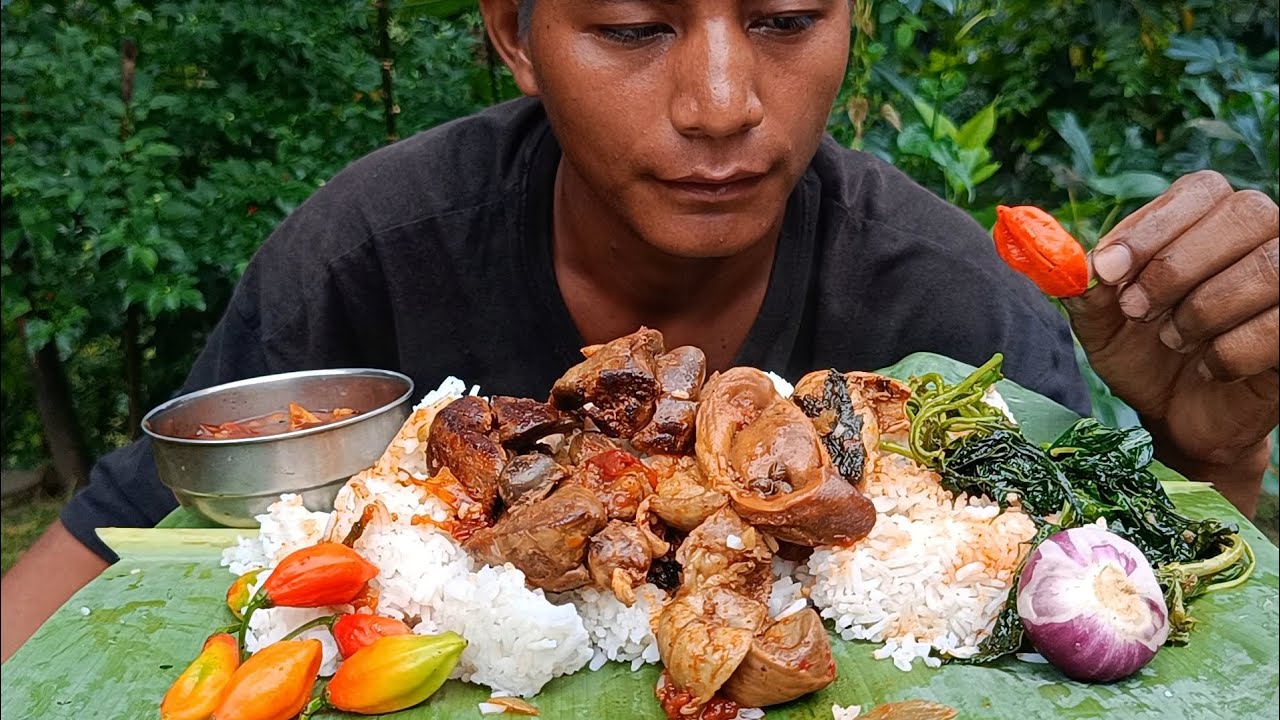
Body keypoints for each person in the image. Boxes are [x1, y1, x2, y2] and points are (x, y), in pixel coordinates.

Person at [2, 0, 1276, 662]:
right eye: (629, 27)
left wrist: (1207, 458)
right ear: (514, 33)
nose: (721, 103)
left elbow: (1107, 617)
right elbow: (127, 534)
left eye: (782, 21)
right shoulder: (374, 251)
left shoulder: (946, 298)